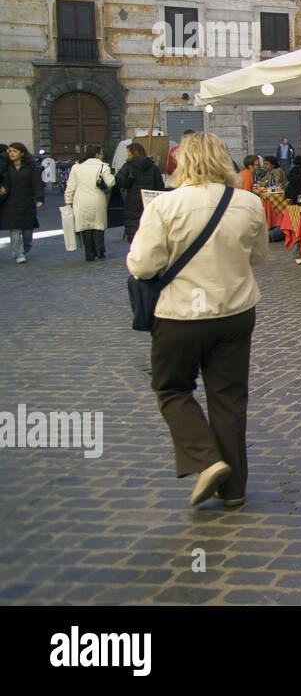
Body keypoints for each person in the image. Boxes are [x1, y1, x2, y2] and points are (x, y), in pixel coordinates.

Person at [127, 132, 267, 508]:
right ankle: (234, 489)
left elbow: (142, 264)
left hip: (181, 314)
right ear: (225, 160)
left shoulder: (165, 206)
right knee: (229, 399)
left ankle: (206, 460)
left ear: (181, 162)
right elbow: (258, 257)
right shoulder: (249, 203)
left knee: (171, 388)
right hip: (236, 312)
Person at [65, 145, 115, 261]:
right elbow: (111, 182)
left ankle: (89, 253)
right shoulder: (103, 167)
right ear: (97, 154)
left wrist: (68, 201)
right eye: (101, 153)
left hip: (80, 201)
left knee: (85, 227)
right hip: (97, 199)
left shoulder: (76, 167)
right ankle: (100, 250)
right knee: (98, 225)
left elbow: (70, 186)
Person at [0, 142, 44, 264]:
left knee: (27, 233)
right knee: (14, 230)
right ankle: (18, 253)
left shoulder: (30, 167)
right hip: (10, 202)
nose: (11, 154)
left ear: (22, 153)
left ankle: (24, 250)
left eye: (14, 151)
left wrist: (39, 198)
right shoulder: (6, 167)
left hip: (27, 202)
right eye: (10, 151)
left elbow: (37, 182)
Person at [115, 142, 166, 243]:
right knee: (150, 231)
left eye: (129, 153)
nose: (127, 155)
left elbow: (119, 180)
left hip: (132, 204)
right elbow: (160, 187)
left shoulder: (128, 166)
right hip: (150, 204)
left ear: (133, 153)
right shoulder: (153, 167)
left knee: (134, 231)